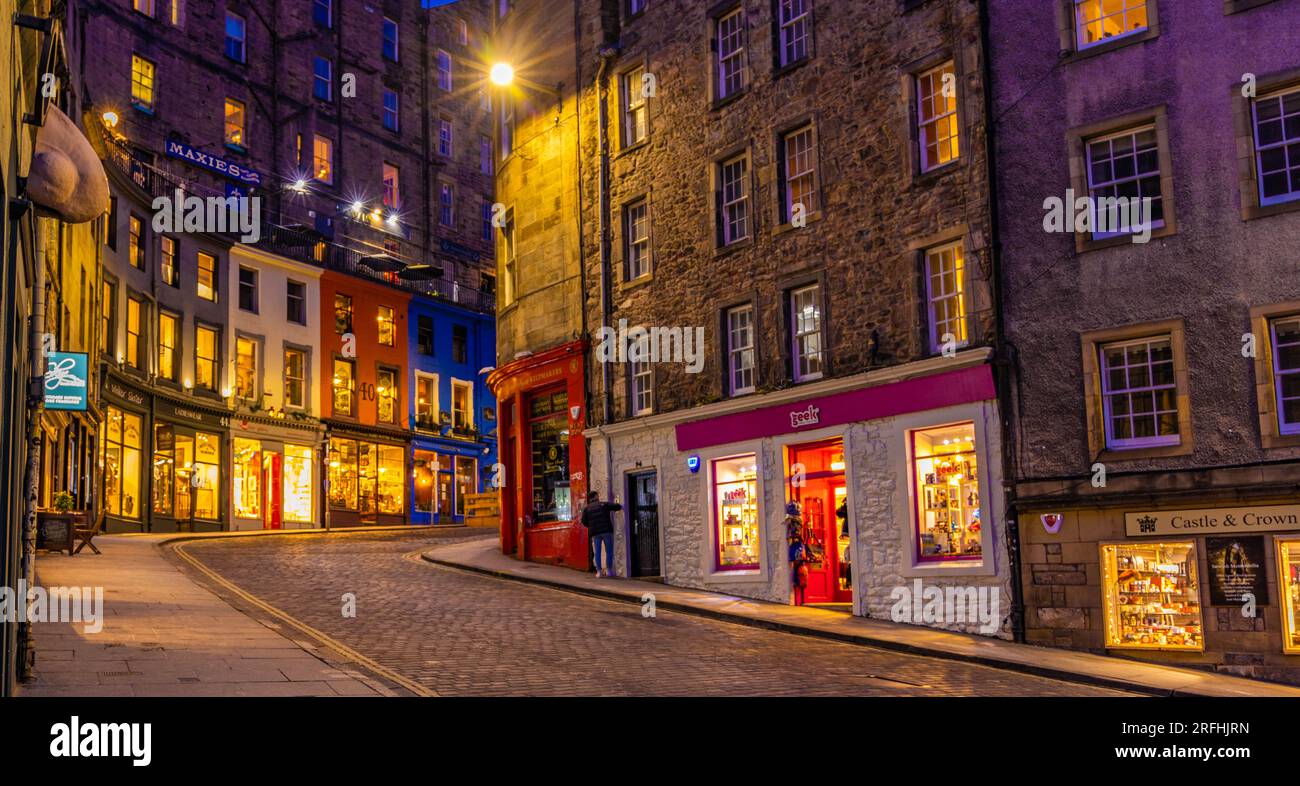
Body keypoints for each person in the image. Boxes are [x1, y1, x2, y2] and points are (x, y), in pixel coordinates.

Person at [580, 490, 622, 578]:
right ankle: (609, 571)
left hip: (595, 533)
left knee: (597, 552)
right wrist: (618, 502)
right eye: (597, 495)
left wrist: (591, 525)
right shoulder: (604, 505)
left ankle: (599, 572)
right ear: (595, 497)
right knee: (609, 551)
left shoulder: (587, 508)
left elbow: (584, 521)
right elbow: (617, 507)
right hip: (607, 531)